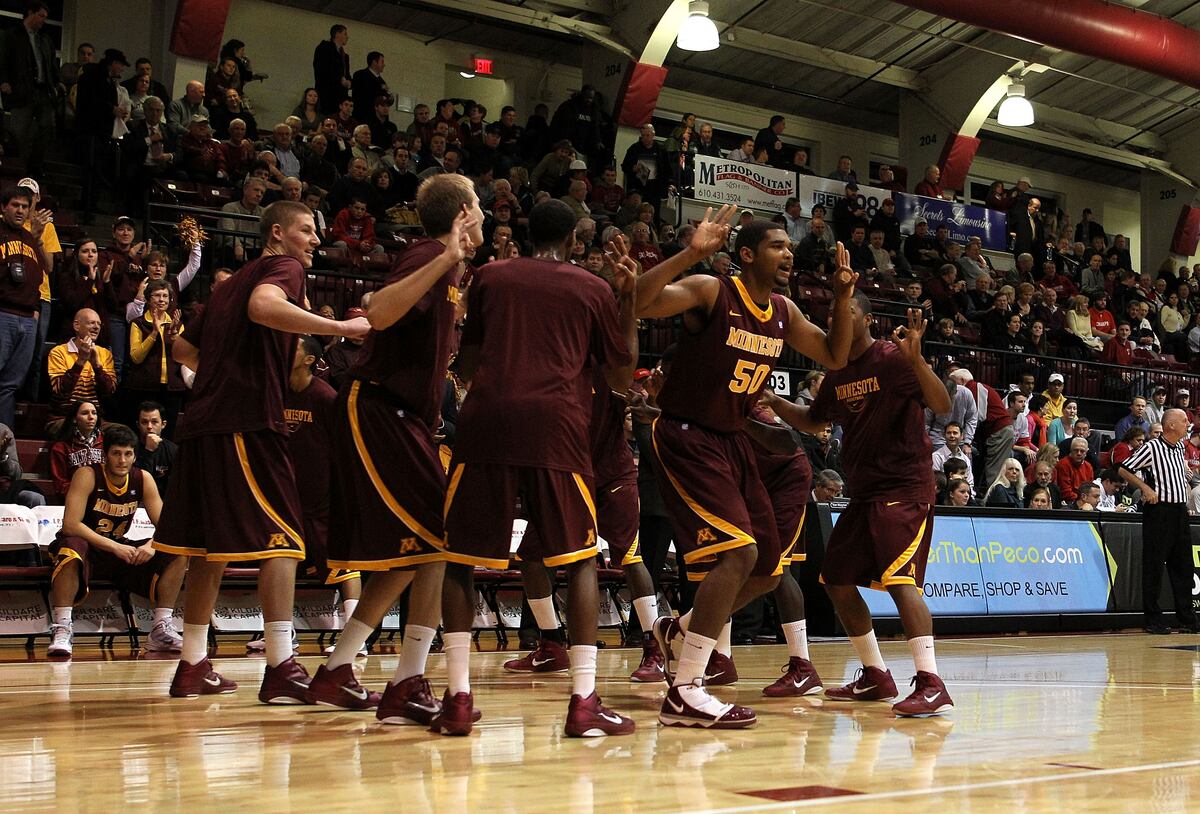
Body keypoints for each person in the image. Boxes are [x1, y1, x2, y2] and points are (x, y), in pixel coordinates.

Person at [632, 208, 855, 728]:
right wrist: (690, 253)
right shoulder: (713, 289)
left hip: (732, 441)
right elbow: (639, 300)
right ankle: (685, 689)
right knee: (739, 553)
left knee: (765, 568)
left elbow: (835, 355)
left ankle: (678, 633)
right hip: (688, 434)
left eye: (790, 247)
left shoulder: (784, 310)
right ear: (749, 254)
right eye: (778, 245)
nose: (789, 254)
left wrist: (842, 298)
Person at [152, 201, 370, 701]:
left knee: (209, 550)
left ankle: (192, 665)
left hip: (205, 422)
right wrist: (340, 329)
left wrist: (223, 374)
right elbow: (264, 307)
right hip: (247, 421)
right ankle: (281, 665)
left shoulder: (228, 286)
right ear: (278, 232)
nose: (315, 239)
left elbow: (183, 349)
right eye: (306, 229)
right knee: (285, 541)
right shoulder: (283, 267)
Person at [438, 199, 640, 738]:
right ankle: (583, 701)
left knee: (459, 559)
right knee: (577, 561)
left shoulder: (490, 275)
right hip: (557, 426)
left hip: (486, 421)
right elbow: (621, 374)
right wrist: (629, 300)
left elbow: (469, 361)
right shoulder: (593, 287)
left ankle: (457, 698)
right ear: (576, 239)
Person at [305, 175, 484, 721]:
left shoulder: (452, 268)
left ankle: (348, 671)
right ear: (460, 214)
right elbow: (377, 313)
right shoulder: (427, 253)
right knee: (436, 541)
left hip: (407, 417)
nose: (484, 215)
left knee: (426, 548)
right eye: (477, 205)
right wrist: (444, 256)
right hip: (377, 407)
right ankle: (396, 678)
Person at [772, 301, 954, 716]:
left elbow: (941, 406)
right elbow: (812, 420)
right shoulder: (835, 373)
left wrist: (918, 360)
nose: (836, 318)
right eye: (833, 315)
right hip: (864, 492)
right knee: (835, 578)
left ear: (868, 319)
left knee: (900, 582)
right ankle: (875, 673)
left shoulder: (892, 358)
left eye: (847, 312)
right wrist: (771, 400)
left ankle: (931, 681)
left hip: (905, 488)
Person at [46, 424, 184, 657]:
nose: (122, 460)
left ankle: (161, 628)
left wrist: (151, 546)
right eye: (116, 453)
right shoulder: (88, 474)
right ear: (105, 455)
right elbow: (70, 524)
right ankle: (62, 627)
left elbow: (168, 527)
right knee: (72, 546)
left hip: (119, 548)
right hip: (89, 548)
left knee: (178, 551)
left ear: (135, 456)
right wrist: (115, 547)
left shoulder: (143, 478)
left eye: (128, 454)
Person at [280, 335, 363, 651]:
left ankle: (355, 638)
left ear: (309, 360)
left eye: (295, 348)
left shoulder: (326, 397)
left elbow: (346, 448)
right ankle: (281, 631)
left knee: (342, 565)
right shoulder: (279, 393)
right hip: (287, 497)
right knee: (278, 560)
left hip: (324, 497)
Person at [1119, 409, 1196, 633]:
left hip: (1179, 512)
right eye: (1184, 421)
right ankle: (1153, 620)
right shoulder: (1152, 447)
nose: (1187, 424)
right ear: (1170, 425)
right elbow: (1124, 469)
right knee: (1154, 567)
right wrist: (1145, 488)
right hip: (1159, 512)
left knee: (1183, 567)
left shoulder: (1180, 447)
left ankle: (1187, 620)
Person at [0, 186, 46, 426]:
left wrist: (36, 312)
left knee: (9, 386)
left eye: (24, 206)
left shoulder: (30, 238)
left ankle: (4, 445)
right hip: (3, 313)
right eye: (15, 205)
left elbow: (43, 272)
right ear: (3, 207)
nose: (20, 210)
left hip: (28, 318)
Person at [0, 3, 58, 177]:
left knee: (48, 126)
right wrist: (4, 81)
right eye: (40, 16)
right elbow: (2, 59)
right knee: (18, 131)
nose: (43, 20)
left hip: (42, 90)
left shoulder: (44, 39)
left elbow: (51, 64)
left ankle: (35, 164)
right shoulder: (11, 35)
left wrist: (55, 82)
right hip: (21, 89)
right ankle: (17, 167)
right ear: (30, 13)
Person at [47, 308, 117, 425]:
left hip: (94, 419)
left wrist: (97, 366)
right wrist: (80, 361)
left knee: (121, 433)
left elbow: (109, 391)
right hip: (64, 418)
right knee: (79, 429)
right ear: (76, 326)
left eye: (99, 324)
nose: (96, 327)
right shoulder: (58, 352)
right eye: (91, 323)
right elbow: (59, 390)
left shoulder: (105, 354)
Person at [49, 400, 104, 499]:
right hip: (74, 500)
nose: (91, 417)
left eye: (94, 413)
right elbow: (60, 485)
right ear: (74, 419)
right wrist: (83, 492)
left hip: (104, 500)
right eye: (85, 413)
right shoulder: (61, 448)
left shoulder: (107, 442)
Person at [134, 401, 178, 490]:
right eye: (144, 422)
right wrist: (148, 451)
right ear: (138, 425)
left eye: (154, 422)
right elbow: (137, 482)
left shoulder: (173, 450)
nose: (149, 426)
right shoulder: (130, 448)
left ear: (163, 424)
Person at [313, 24, 351, 115]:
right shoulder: (324, 48)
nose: (347, 37)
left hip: (340, 95)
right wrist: (339, 79)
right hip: (327, 93)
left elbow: (346, 73)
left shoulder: (344, 56)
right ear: (337, 34)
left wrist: (349, 81)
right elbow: (322, 69)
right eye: (345, 34)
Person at [931, 421, 973, 492]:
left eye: (955, 433)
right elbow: (936, 482)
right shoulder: (936, 456)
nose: (952, 436)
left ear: (962, 436)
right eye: (949, 433)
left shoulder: (966, 459)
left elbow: (970, 483)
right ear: (944, 435)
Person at [1055, 437, 1095, 504]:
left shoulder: (1089, 466)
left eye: (1082, 451)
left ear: (1086, 453)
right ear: (1071, 451)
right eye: (1076, 450)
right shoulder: (1063, 464)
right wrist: (1083, 500)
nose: (1079, 453)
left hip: (1084, 501)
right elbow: (1065, 492)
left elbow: (1090, 489)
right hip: (1068, 503)